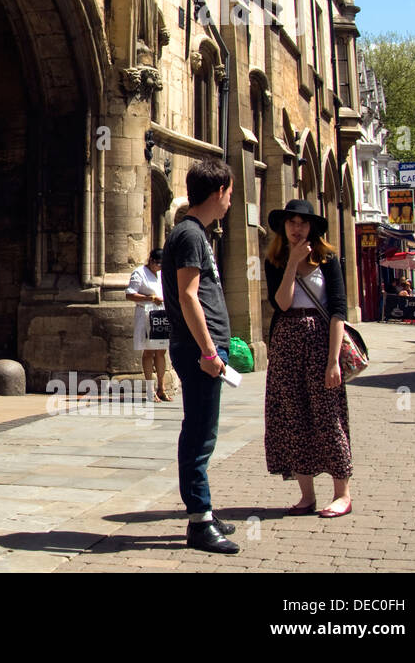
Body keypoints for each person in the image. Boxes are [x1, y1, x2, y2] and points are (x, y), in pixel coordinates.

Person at [161, 159, 238, 554]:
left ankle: (203, 511)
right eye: (229, 193)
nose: (230, 202)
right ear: (218, 191)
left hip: (203, 348)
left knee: (202, 432)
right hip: (198, 350)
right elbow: (189, 295)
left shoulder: (194, 233)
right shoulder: (190, 235)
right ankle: (199, 521)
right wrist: (209, 350)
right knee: (199, 434)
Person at [263, 199, 353, 518]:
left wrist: (333, 361)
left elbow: (338, 309)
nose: (297, 228)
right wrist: (291, 263)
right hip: (286, 342)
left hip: (319, 341)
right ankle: (306, 496)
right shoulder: (275, 259)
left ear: (312, 226)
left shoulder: (328, 259)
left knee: (328, 416)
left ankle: (342, 494)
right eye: (291, 222)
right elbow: (282, 305)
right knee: (293, 416)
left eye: (302, 222)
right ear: (284, 227)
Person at [127, 248, 170, 401]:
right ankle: (150, 390)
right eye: (158, 264)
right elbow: (130, 294)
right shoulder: (139, 273)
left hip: (161, 314)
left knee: (161, 351)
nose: (159, 267)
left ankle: (161, 387)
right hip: (146, 314)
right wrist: (150, 298)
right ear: (151, 260)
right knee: (148, 352)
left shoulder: (161, 274)